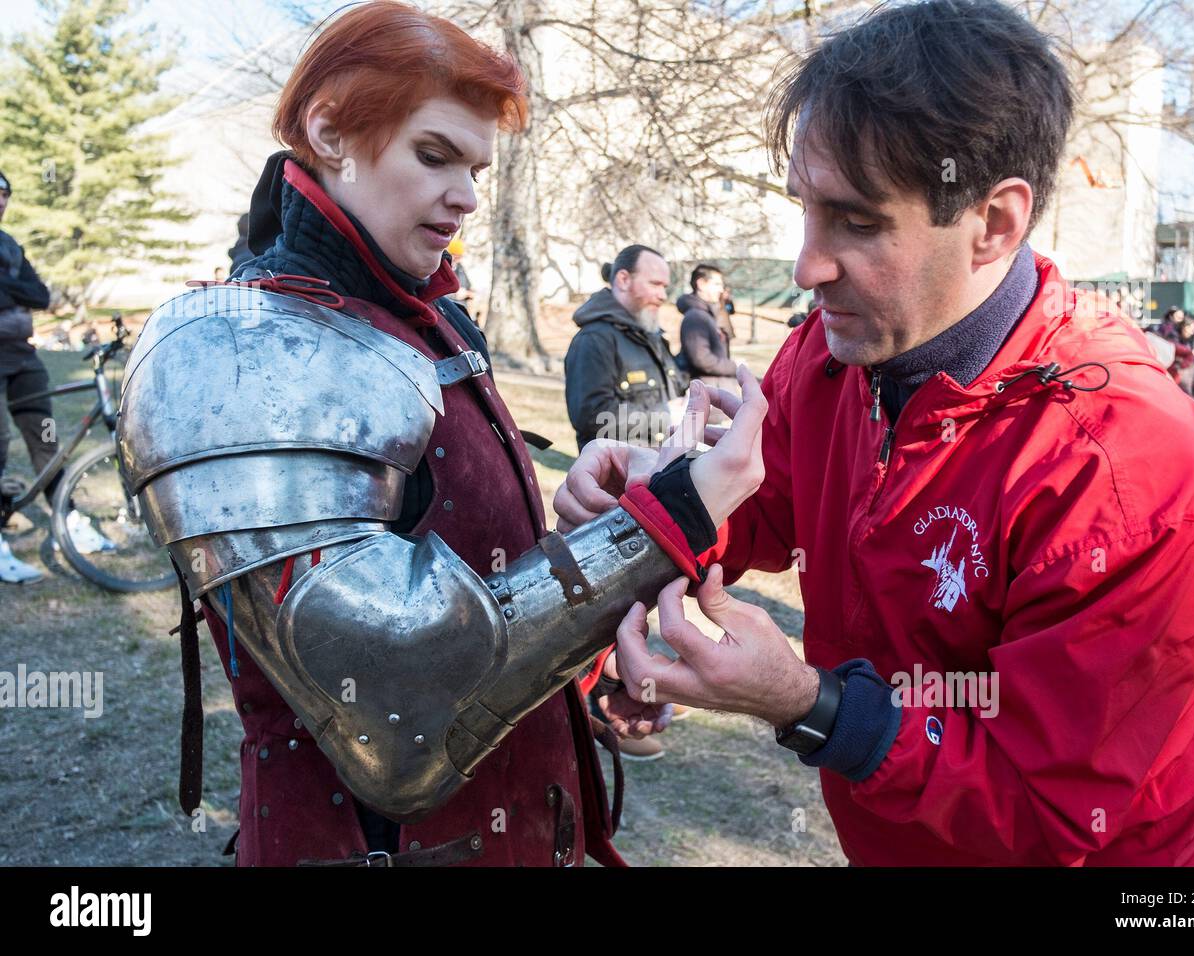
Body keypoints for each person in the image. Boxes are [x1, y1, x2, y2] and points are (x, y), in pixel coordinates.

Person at [556, 0, 1194, 866]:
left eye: (857, 222)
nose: (809, 266)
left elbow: (1050, 819)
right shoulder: (837, 349)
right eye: (805, 210)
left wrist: (807, 704)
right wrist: (654, 506)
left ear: (995, 224)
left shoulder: (1127, 474)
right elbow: (766, 502)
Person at [116, 1, 764, 867]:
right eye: (433, 156)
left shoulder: (436, 321)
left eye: (475, 168)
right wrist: (681, 508)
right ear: (330, 128)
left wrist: (581, 592)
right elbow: (397, 712)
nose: (464, 195)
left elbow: (468, 590)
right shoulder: (236, 354)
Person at [0, 168, 113, 585]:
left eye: (5, 192)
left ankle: (70, 519)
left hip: (22, 357)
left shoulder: (10, 245)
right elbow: (24, 292)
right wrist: (14, 287)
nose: (0, 199)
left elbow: (41, 296)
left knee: (46, 438)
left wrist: (10, 287)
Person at [564, 244, 687, 450]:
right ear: (623, 280)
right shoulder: (594, 340)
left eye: (665, 286)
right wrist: (664, 416)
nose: (663, 295)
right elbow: (591, 418)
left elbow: (675, 393)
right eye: (655, 284)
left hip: (662, 468)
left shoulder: (651, 336)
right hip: (623, 476)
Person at [676, 264, 738, 388]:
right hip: (707, 392)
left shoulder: (706, 314)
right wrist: (734, 366)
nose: (721, 290)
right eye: (716, 284)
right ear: (701, 284)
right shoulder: (695, 317)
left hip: (715, 387)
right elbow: (702, 360)